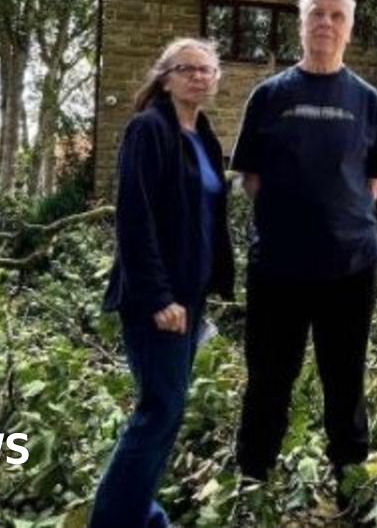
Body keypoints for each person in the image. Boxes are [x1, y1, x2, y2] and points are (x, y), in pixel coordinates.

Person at [232, 0, 377, 500]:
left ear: (350, 29)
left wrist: (336, 220)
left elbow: (374, 181)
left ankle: (349, 477)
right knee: (269, 380)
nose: (325, 23)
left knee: (344, 379)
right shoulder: (269, 96)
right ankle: (252, 478)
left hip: (350, 268)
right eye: (315, 14)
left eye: (336, 16)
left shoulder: (368, 102)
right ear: (301, 24)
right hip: (278, 267)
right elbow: (251, 177)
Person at [90, 38, 234, 528]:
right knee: (159, 409)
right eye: (187, 68)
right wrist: (159, 297)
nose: (199, 76)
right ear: (166, 76)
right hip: (158, 301)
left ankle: (142, 514)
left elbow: (209, 217)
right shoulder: (148, 129)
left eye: (207, 70)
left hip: (189, 298)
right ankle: (113, 520)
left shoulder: (205, 135)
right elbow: (135, 218)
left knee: (168, 411)